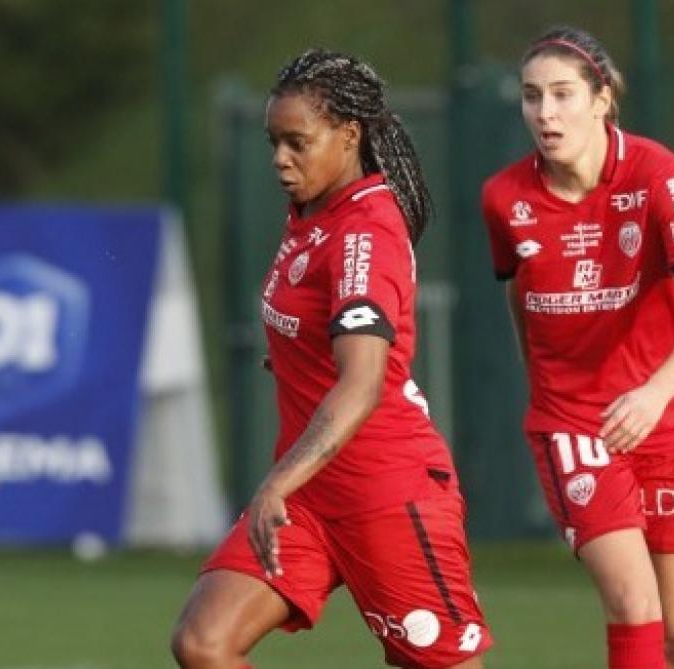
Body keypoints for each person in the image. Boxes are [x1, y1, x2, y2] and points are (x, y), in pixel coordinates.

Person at [169, 50, 492, 669]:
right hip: (311, 497)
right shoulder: (312, 212)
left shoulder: (365, 230)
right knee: (204, 643)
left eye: (298, 142)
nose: (280, 158)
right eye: (274, 142)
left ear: (349, 136)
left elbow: (362, 384)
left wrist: (276, 483)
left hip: (385, 491)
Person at [480, 26, 674, 669]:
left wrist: (653, 395)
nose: (545, 113)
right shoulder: (503, 197)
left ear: (602, 100)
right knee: (634, 605)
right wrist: (546, 389)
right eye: (532, 96)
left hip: (668, 420)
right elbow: (518, 294)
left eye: (563, 94)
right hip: (575, 425)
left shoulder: (658, 173)